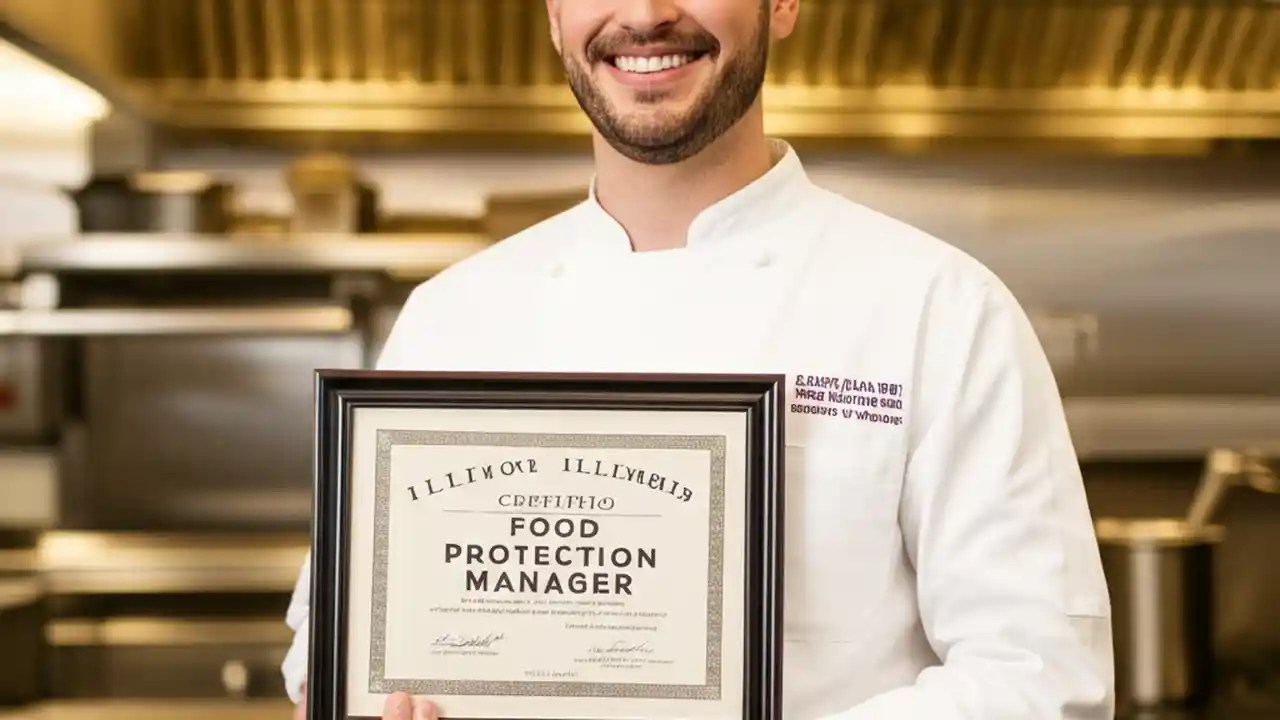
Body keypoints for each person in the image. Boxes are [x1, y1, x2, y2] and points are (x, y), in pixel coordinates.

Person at [283, 0, 1115, 718]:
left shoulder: (940, 310)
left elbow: (1042, 682)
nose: (645, 14)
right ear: (551, 13)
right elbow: (327, 664)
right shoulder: (451, 320)